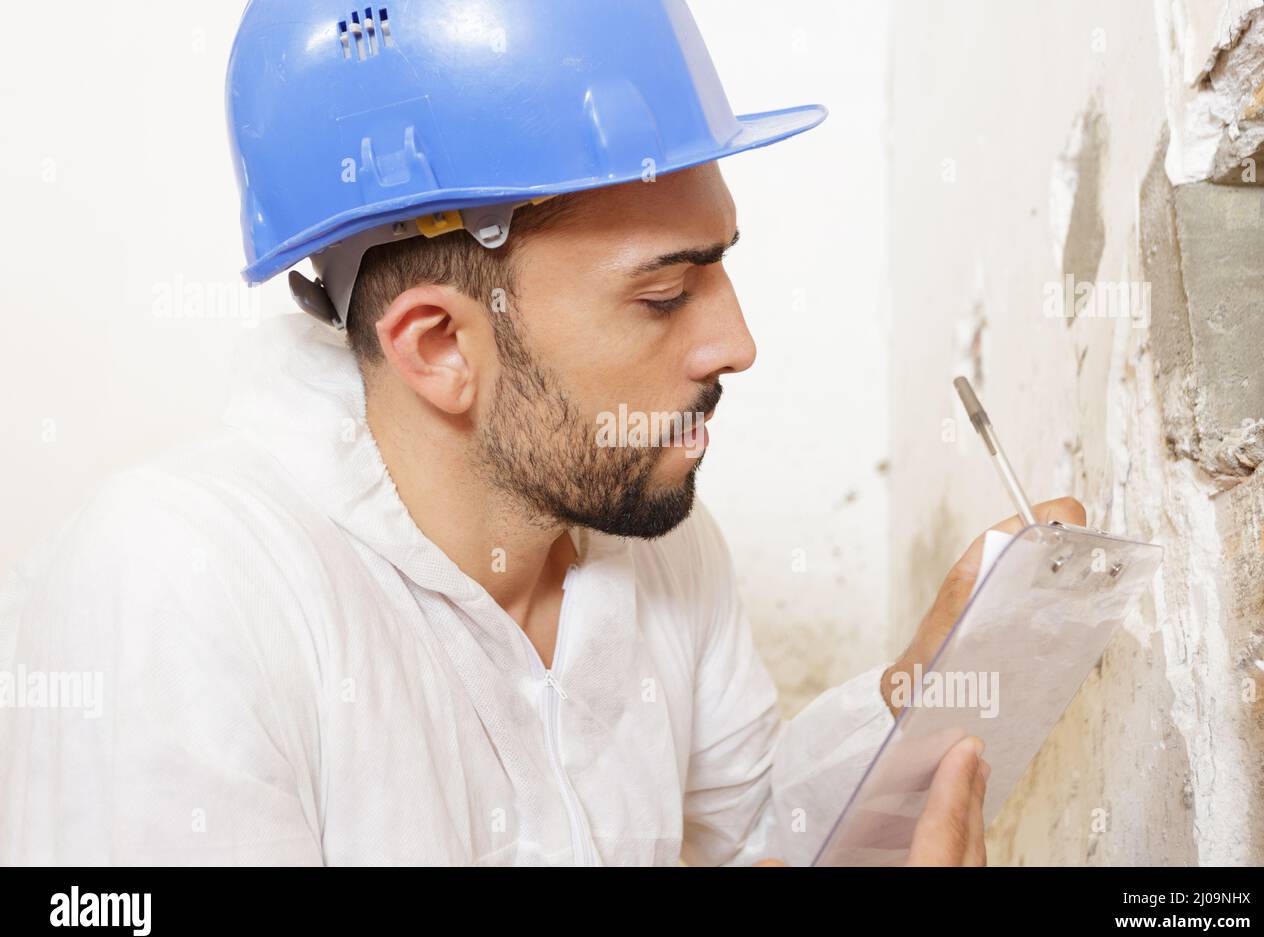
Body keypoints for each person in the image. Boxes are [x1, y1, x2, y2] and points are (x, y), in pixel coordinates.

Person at [0, 0, 1084, 865]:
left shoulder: (647, 537)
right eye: (664, 295)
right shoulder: (180, 590)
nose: (737, 343)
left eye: (720, 266)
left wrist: (908, 709)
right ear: (437, 346)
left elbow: (744, 846)